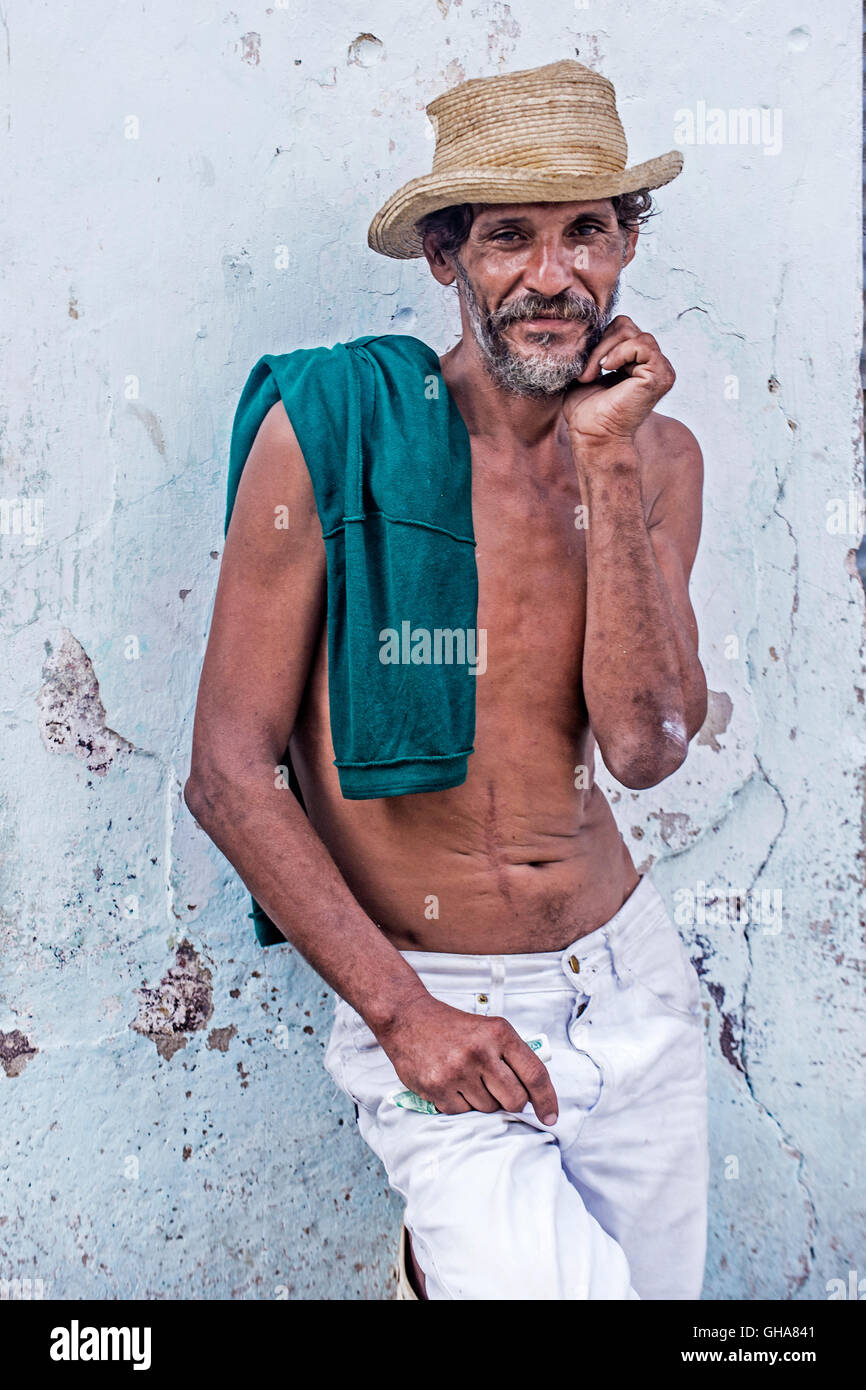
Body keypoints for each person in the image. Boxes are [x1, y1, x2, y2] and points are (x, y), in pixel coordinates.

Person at [185, 59, 710, 1300]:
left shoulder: (657, 455)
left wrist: (606, 462)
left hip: (627, 983)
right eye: (506, 238)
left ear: (624, 244)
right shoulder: (333, 428)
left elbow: (644, 747)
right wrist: (402, 1013)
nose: (549, 275)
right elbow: (227, 769)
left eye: (584, 229)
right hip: (443, 1000)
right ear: (443, 256)